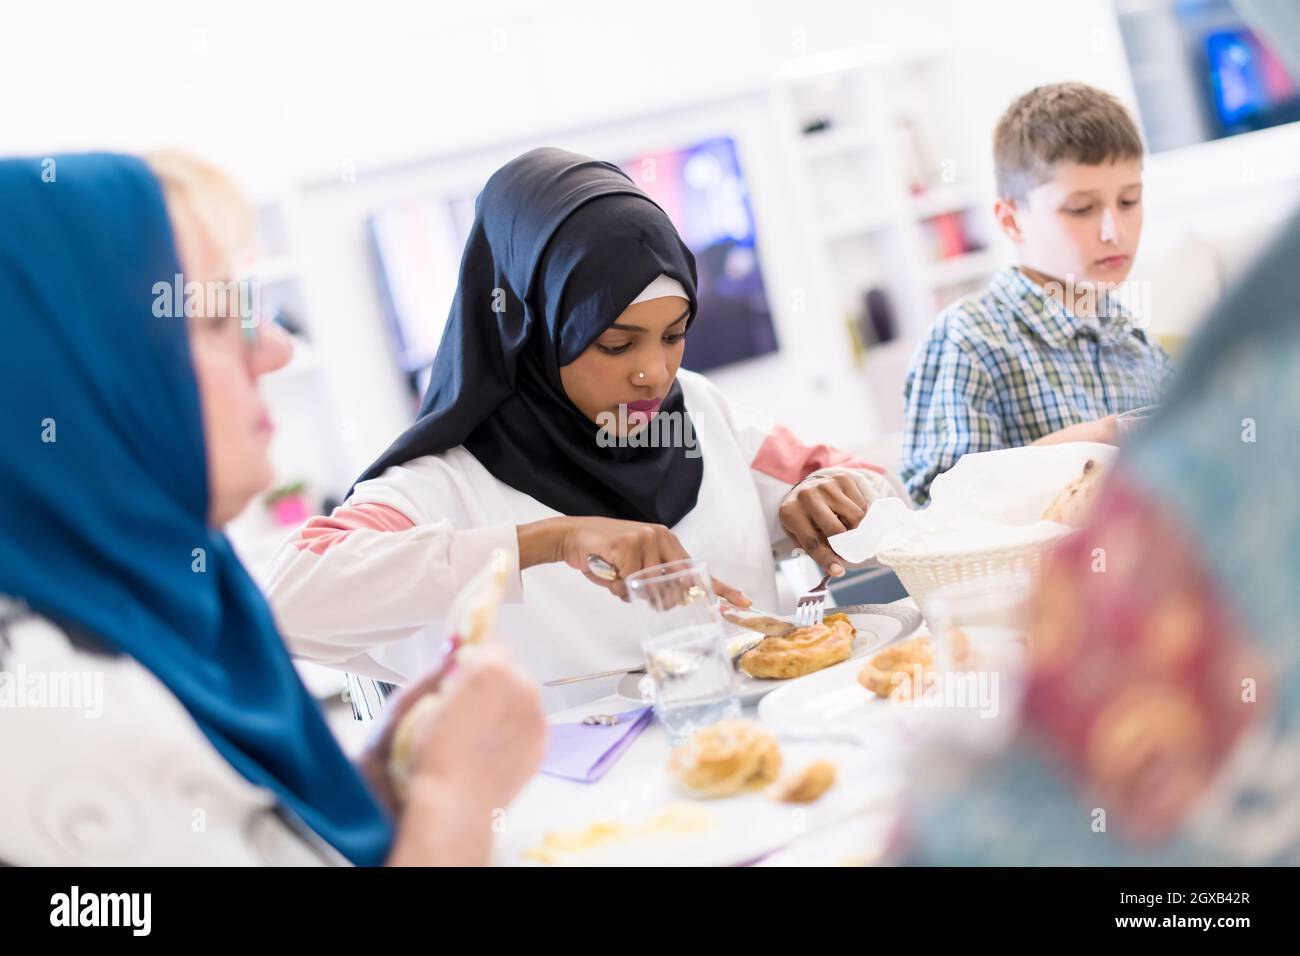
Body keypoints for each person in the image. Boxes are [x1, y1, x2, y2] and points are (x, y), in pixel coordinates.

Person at [0, 152, 546, 866]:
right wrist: (455, 801)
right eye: (220, 320)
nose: (278, 350)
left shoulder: (178, 598)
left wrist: (371, 790)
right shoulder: (51, 717)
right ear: (79, 376)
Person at [263, 147, 904, 711]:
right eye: (615, 344)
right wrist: (552, 540)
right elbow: (286, 601)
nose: (654, 375)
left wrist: (835, 492)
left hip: (755, 772)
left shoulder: (697, 415)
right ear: (530, 329)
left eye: (675, 336)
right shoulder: (444, 482)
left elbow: (884, 494)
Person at [899, 82, 1175, 506]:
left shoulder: (1132, 341)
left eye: (1129, 200)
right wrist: (1097, 440)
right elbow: (942, 511)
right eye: (1081, 209)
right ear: (1011, 222)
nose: (1114, 231)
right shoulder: (970, 340)